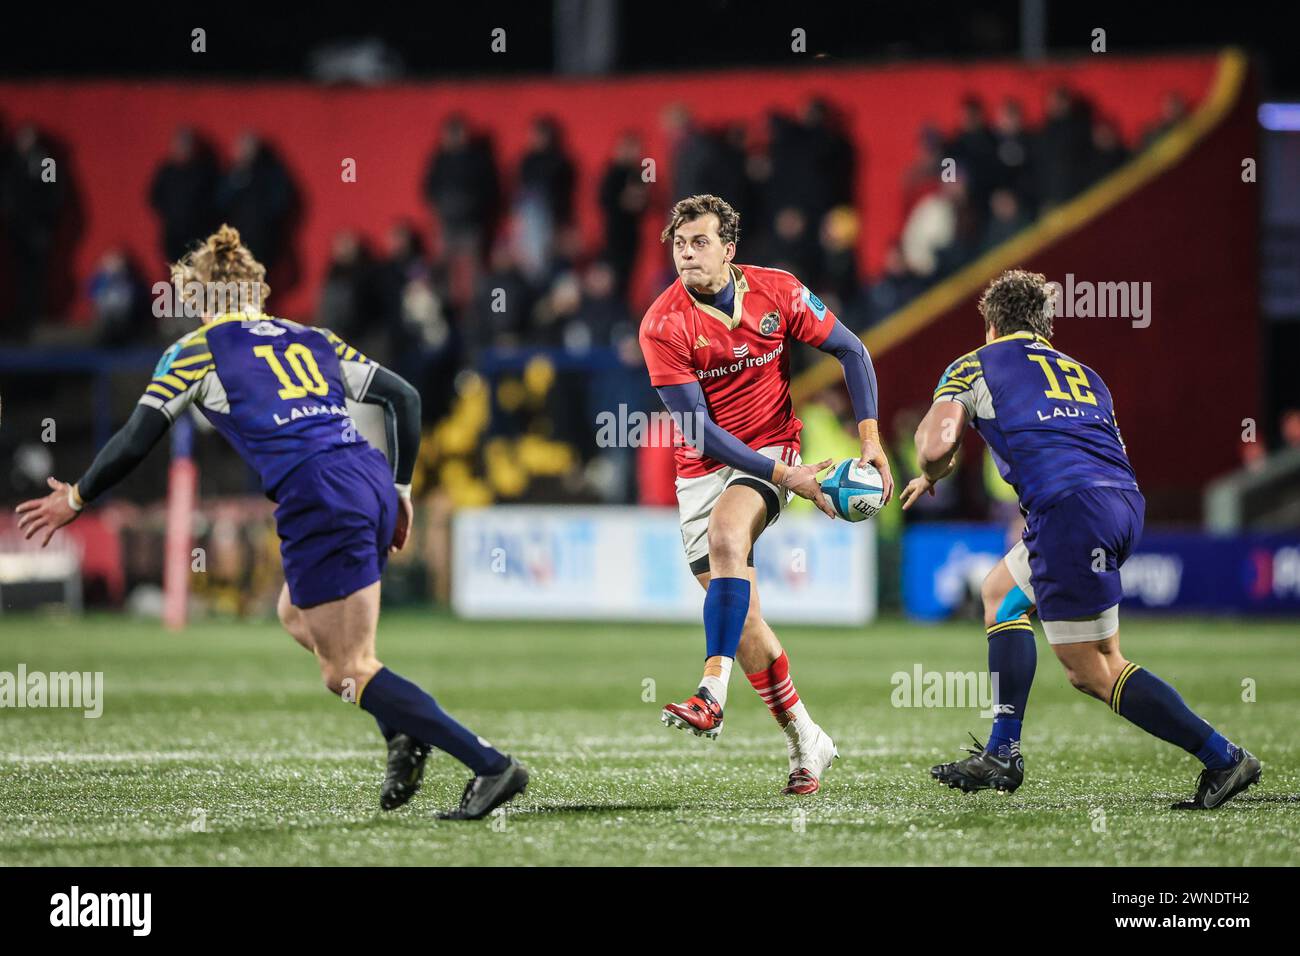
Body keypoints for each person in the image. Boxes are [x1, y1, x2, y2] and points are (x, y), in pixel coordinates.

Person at [15, 225, 527, 821]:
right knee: (294, 614)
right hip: (367, 473)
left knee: (348, 669)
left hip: (318, 492)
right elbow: (405, 399)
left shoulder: (197, 351)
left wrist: (75, 498)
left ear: (203, 301)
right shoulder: (312, 336)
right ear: (255, 291)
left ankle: (490, 765)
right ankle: (403, 731)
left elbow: (136, 440)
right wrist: (402, 491)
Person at [900, 269, 1259, 809]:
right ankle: (1002, 750)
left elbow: (935, 442)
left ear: (992, 325)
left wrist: (931, 469)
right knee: (1000, 593)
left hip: (1069, 512)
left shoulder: (975, 363)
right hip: (1121, 505)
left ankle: (1223, 756)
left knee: (1094, 670)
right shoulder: (1087, 374)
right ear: (1045, 327)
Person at [639, 194, 893, 795]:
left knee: (730, 534)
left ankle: (711, 692)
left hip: (774, 450)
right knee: (744, 620)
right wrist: (793, 481)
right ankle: (808, 737)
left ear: (729, 249)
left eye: (699, 243)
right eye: (679, 244)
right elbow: (699, 432)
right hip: (703, 470)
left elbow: (851, 350)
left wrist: (871, 439)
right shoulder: (662, 324)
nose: (687, 254)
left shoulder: (777, 291)